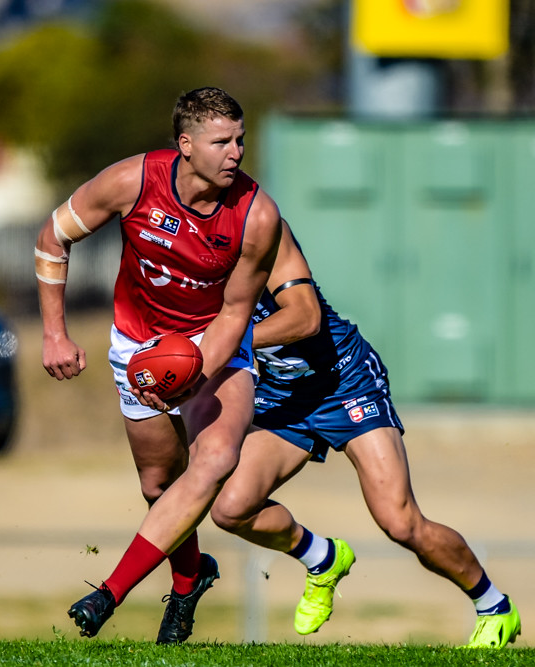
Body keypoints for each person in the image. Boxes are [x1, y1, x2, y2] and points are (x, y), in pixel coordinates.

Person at [36, 87, 281, 643]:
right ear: (186, 144)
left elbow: (236, 313)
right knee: (157, 485)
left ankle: (110, 592)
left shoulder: (257, 214)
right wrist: (54, 333)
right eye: (222, 142)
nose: (236, 153)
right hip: (137, 346)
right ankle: (191, 578)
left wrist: (193, 373)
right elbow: (53, 237)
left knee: (215, 460)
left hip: (215, 346)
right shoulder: (131, 182)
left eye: (240, 140)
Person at [207, 219, 521, 648]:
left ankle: (494, 606)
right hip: (286, 392)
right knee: (230, 508)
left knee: (400, 521)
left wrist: (223, 339)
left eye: (237, 144)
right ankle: (322, 557)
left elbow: (305, 319)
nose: (233, 152)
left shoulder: (260, 228)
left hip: (346, 381)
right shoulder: (182, 257)